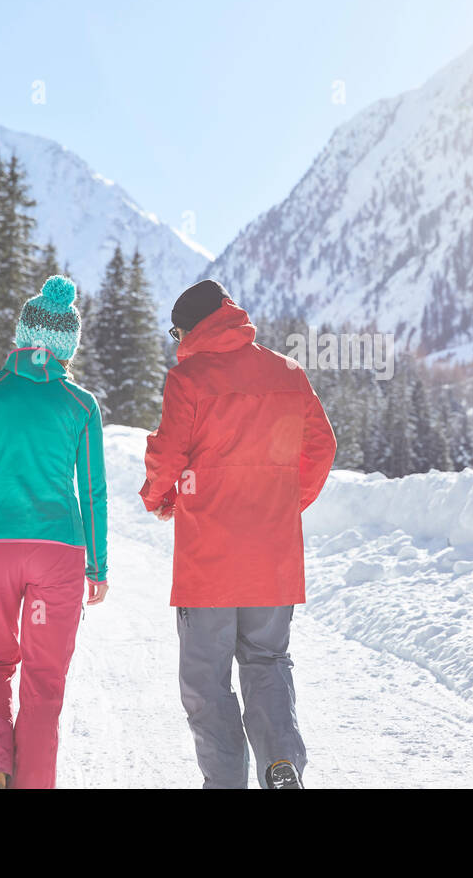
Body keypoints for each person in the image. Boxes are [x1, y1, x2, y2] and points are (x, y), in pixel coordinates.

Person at [140, 279, 336, 789]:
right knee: (267, 661)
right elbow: (322, 446)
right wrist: (285, 505)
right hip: (272, 557)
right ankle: (280, 764)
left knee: (207, 680)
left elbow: (168, 454)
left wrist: (159, 498)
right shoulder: (288, 373)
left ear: (189, 328)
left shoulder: (189, 378)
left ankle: (225, 782)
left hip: (209, 560)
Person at [0, 275, 108, 789]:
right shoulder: (80, 405)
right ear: (66, 348)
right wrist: (96, 565)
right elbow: (93, 491)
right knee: (44, 681)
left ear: (21, 336)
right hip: (58, 552)